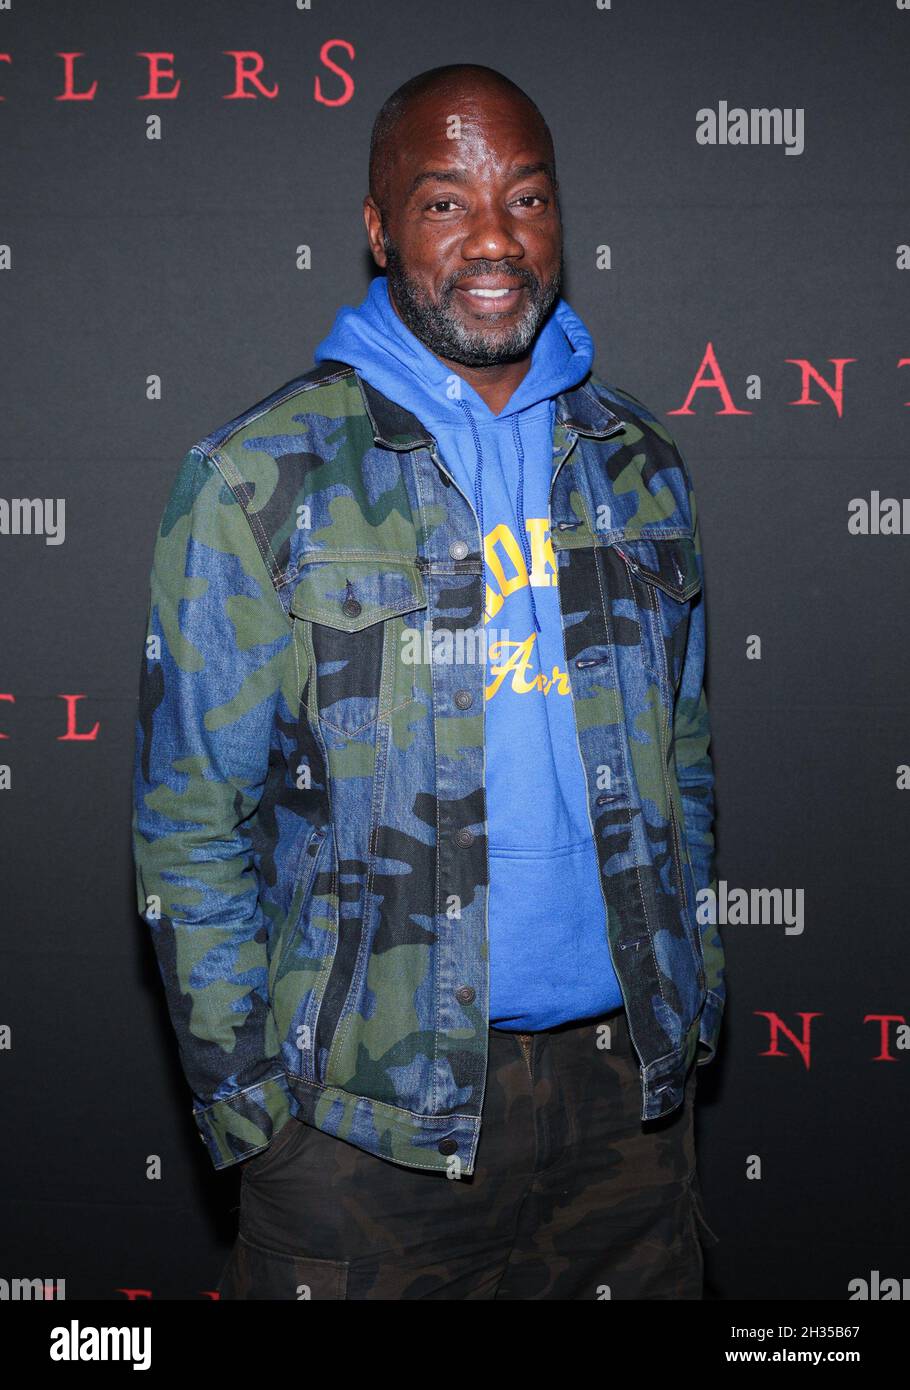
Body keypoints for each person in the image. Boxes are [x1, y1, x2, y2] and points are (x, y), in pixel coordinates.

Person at [131, 62, 724, 1300]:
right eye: (445, 202)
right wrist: (258, 1113)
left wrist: (691, 994)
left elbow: (687, 761)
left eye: (527, 197)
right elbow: (189, 825)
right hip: (361, 1131)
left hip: (630, 1106)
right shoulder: (258, 478)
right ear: (377, 228)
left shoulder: (641, 466)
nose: (495, 237)